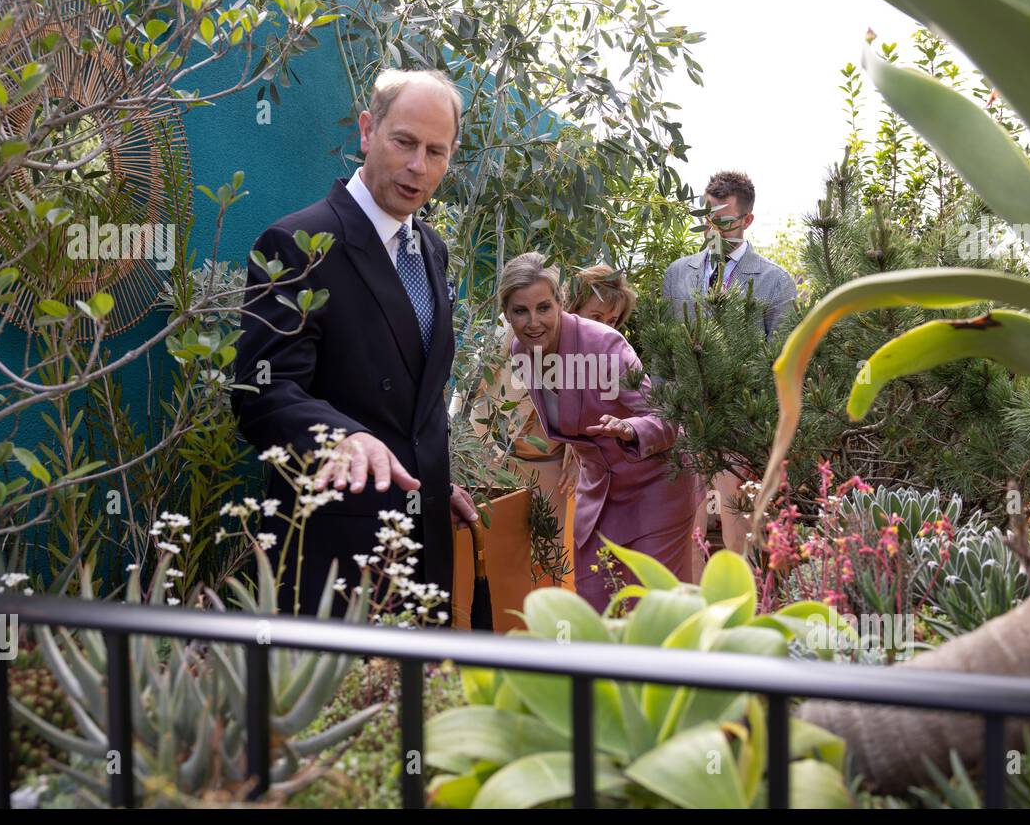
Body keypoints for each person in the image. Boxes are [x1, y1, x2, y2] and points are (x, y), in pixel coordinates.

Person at [232, 68, 478, 617]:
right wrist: (342, 436)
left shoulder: (432, 251)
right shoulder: (297, 243)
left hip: (423, 544)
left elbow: (414, 405)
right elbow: (262, 393)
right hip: (336, 553)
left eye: (436, 152)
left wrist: (435, 486)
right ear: (368, 131)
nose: (419, 166)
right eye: (404, 142)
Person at [500, 252, 698, 612]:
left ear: (561, 304)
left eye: (543, 308)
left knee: (650, 609)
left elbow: (667, 418)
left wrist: (629, 428)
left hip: (655, 486)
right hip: (600, 490)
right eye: (520, 311)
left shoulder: (605, 346)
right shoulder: (522, 351)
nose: (533, 322)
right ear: (506, 313)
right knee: (594, 600)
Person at [661, 171, 797, 567]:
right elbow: (666, 351)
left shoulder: (776, 282)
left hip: (740, 428)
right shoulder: (677, 274)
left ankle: (741, 617)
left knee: (740, 531)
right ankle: (692, 619)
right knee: (688, 529)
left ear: (747, 220)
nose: (713, 227)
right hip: (686, 422)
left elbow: (779, 364)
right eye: (708, 217)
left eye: (724, 220)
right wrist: (664, 414)